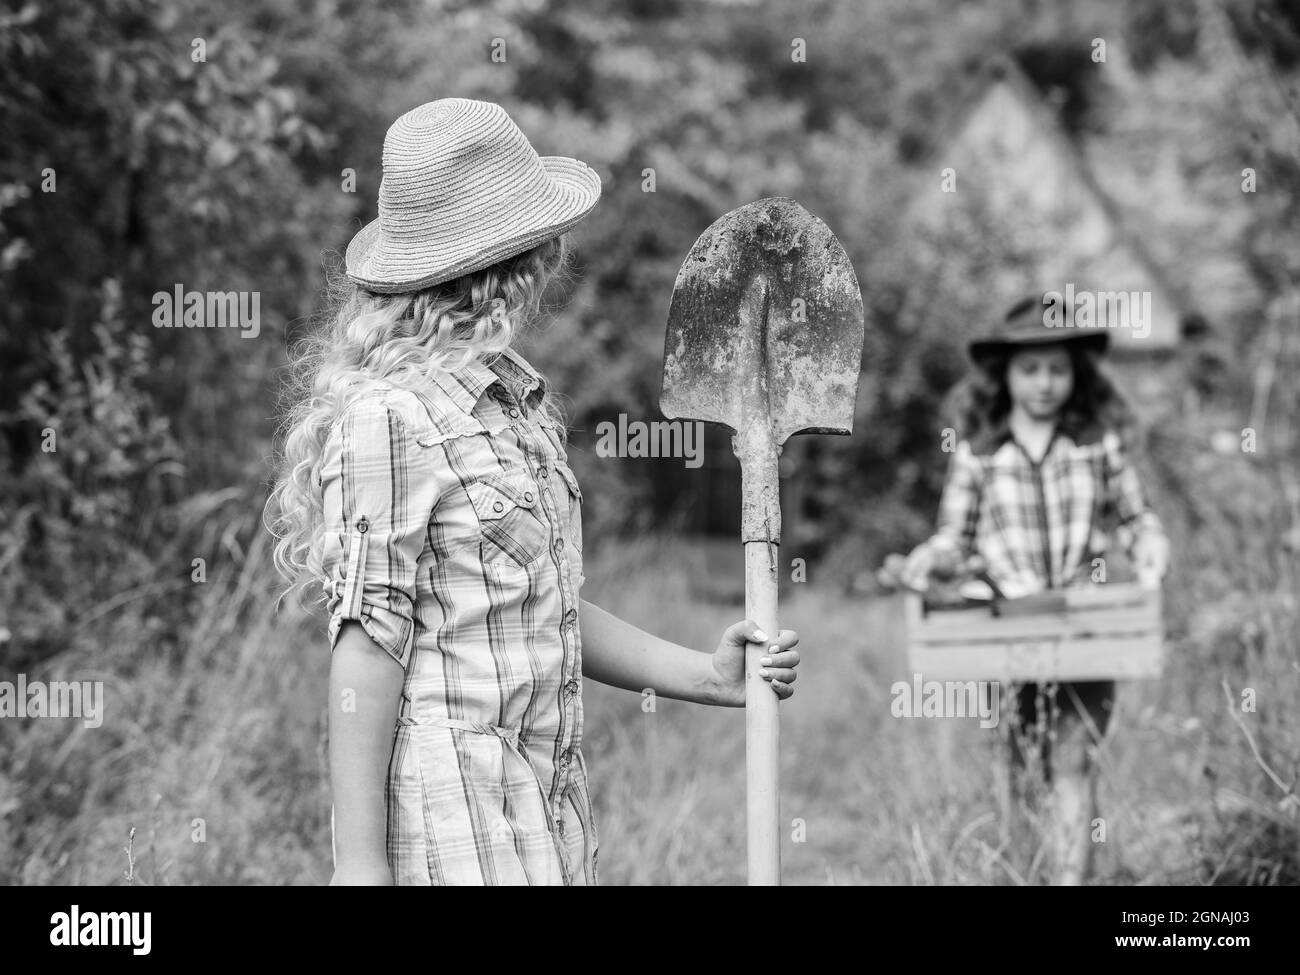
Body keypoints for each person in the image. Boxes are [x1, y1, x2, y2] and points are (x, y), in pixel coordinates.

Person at [266, 99, 800, 885]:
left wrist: (707, 676)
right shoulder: (390, 418)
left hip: (541, 803)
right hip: (452, 812)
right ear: (515, 261)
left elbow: (544, 603)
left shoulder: (516, 404)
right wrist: (358, 865)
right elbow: (367, 645)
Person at [901, 293, 1170, 885]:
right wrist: (930, 559)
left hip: (1085, 623)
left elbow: (1135, 518)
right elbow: (956, 536)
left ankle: (1071, 880)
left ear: (1076, 374)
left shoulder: (1097, 444)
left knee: (1074, 757)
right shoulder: (979, 453)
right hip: (1008, 625)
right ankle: (1026, 872)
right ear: (1005, 376)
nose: (1045, 382)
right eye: (1030, 369)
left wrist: (1150, 543)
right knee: (1016, 760)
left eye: (1057, 368)